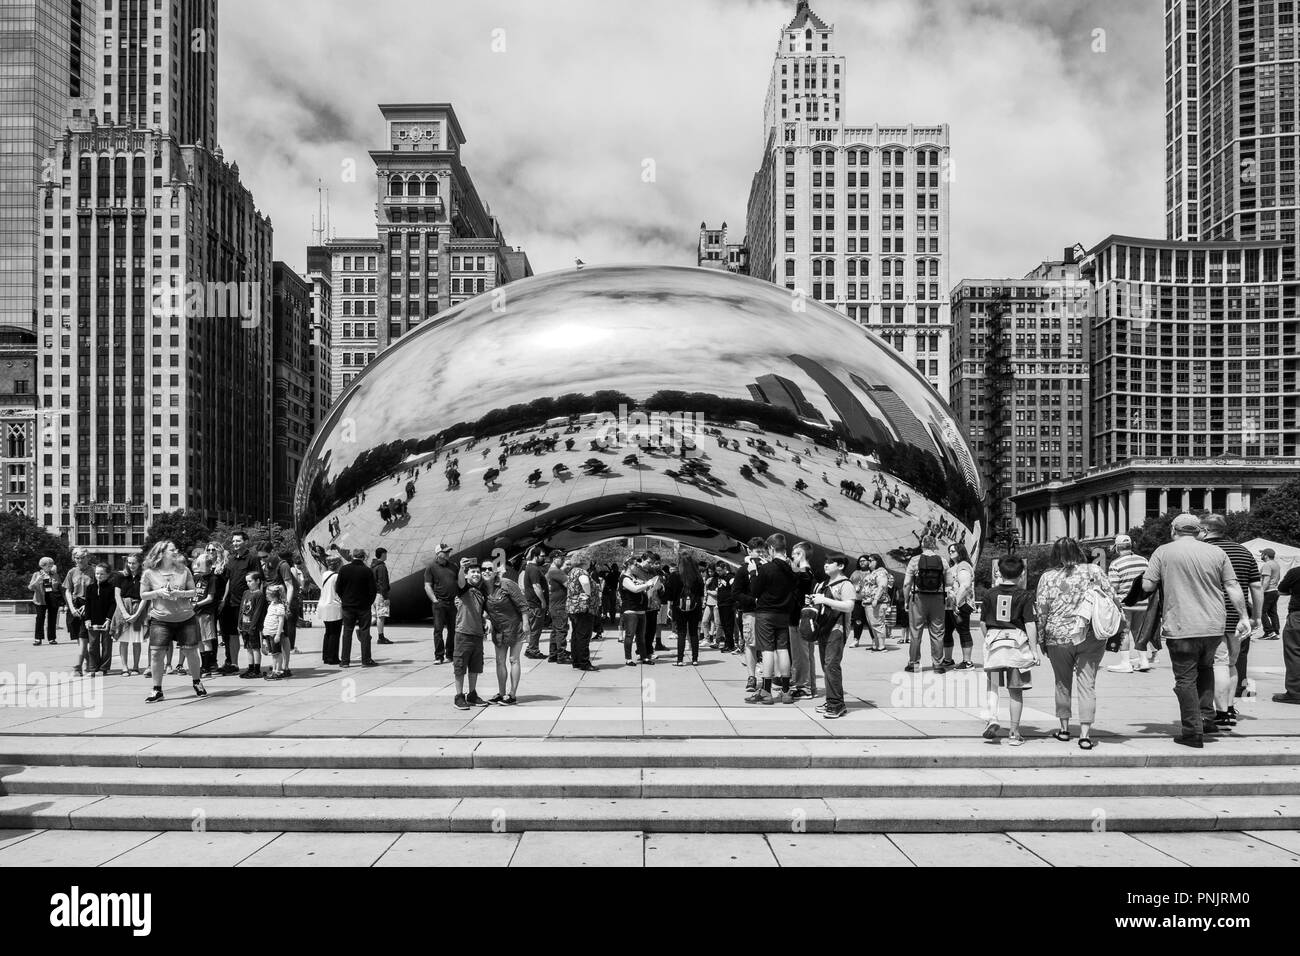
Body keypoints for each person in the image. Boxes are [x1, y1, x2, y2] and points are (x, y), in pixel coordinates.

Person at [1140, 514, 1248, 749]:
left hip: (1182, 625)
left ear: (1173, 530)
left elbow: (1148, 585)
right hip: (1213, 625)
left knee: (1185, 680)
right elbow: (1232, 585)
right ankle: (1207, 718)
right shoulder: (1217, 553)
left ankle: (1192, 731)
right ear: (1199, 531)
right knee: (1206, 669)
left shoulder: (1163, 551)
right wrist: (1244, 617)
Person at [1035, 537, 1119, 749]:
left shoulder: (1047, 577)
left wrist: (1041, 639)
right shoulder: (1094, 571)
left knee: (1062, 683)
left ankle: (1064, 729)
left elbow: (1042, 611)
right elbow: (1112, 597)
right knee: (1087, 685)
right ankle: (1085, 733)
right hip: (1089, 635)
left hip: (1058, 636)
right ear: (1078, 551)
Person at [1199, 515, 1263, 729]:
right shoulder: (1244, 551)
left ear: (1205, 530)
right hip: (1238, 616)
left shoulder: (1204, 552)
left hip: (1212, 614)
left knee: (1218, 664)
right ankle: (1230, 706)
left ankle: (1222, 712)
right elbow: (1256, 586)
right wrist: (1257, 616)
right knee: (1231, 664)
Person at [977, 554, 1039, 745]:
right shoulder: (1025, 595)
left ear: (999, 572)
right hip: (1017, 646)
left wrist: (989, 639)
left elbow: (982, 623)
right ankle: (1014, 732)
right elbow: (1030, 624)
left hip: (995, 643)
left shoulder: (989, 594)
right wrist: (1034, 649)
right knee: (1015, 691)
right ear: (1021, 574)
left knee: (993, 685)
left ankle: (992, 718)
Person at [139, 539, 206, 702]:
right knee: (156, 653)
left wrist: (179, 594)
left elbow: (193, 592)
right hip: (160, 618)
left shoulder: (184, 570)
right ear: (161, 553)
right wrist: (159, 592)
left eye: (176, 549)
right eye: (172, 550)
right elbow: (142, 595)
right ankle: (157, 690)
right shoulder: (149, 573)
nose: (175, 552)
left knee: (191, 651)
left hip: (185, 617)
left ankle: (197, 682)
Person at [747, 533, 797, 705]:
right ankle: (785, 691)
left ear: (771, 548)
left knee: (768, 650)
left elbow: (754, 591)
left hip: (766, 613)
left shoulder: (766, 569)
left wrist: (753, 573)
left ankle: (766, 691)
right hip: (783, 613)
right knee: (783, 649)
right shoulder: (791, 569)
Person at [809, 554, 855, 719]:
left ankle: (837, 704)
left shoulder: (845, 584)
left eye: (830, 562)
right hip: (823, 628)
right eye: (825, 561)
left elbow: (849, 606)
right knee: (826, 666)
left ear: (841, 566)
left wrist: (825, 600)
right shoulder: (823, 584)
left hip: (837, 628)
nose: (826, 565)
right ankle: (831, 700)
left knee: (831, 665)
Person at [1106, 534, 1153, 673]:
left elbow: (1112, 587)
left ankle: (1125, 663)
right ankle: (1144, 660)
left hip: (1125, 604)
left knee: (1124, 632)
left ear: (1117, 548)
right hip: (1143, 602)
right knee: (1139, 632)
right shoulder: (1144, 561)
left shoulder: (1116, 564)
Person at [484, 560, 527, 702]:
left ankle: (512, 694)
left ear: (495, 571)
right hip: (498, 630)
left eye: (490, 569)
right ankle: (501, 693)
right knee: (499, 661)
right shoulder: (482, 588)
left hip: (515, 627)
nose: (486, 571)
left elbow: (522, 604)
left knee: (513, 659)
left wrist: (526, 624)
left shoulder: (506, 584)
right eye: (483, 569)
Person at [903, 536, 947, 674]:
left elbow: (906, 584)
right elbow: (950, 582)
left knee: (916, 632)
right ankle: (938, 665)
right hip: (938, 599)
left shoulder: (915, 560)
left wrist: (906, 600)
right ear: (934, 545)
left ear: (922, 545)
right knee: (938, 632)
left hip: (919, 598)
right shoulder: (943, 561)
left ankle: (914, 664)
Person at [452, 558, 492, 709]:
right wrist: (462, 568)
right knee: (460, 667)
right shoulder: (464, 588)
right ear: (467, 575)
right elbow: (460, 582)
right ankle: (459, 696)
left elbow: (481, 611)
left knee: (475, 667)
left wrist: (486, 620)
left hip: (477, 635)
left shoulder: (481, 591)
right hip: (463, 633)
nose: (476, 574)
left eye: (478, 572)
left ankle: (472, 695)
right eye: (472, 572)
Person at [218, 531, 257, 676]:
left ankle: (253, 666)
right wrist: (224, 599)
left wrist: (255, 599)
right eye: (233, 541)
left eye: (238, 541)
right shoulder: (231, 559)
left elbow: (257, 580)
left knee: (247, 632)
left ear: (245, 542)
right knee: (231, 633)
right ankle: (233, 663)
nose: (235, 543)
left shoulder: (252, 558)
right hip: (230, 602)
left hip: (245, 602)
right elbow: (228, 580)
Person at [337, 548, 379, 668]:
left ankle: (345, 661)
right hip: (363, 606)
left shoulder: (344, 569)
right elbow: (373, 590)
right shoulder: (367, 571)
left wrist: (344, 599)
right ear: (363, 556)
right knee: (365, 632)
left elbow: (338, 588)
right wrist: (368, 603)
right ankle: (366, 660)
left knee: (347, 632)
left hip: (348, 606)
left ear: (352, 556)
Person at [788, 542, 818, 699]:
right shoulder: (809, 572)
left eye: (794, 553)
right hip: (805, 618)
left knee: (800, 655)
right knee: (807, 655)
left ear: (800, 554)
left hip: (799, 619)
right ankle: (809, 686)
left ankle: (803, 687)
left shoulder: (803, 573)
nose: (792, 556)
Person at [621, 553, 661, 665]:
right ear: (629, 566)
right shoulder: (625, 577)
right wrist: (647, 584)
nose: (637, 566)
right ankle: (629, 658)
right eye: (635, 564)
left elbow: (643, 585)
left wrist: (652, 584)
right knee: (630, 634)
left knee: (642, 635)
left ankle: (645, 656)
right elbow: (634, 589)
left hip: (643, 608)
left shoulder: (634, 576)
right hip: (631, 609)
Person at [666, 552, 705, 666]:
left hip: (679, 607)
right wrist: (699, 606)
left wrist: (669, 607)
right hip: (695, 607)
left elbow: (670, 594)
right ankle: (695, 659)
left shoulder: (675, 575)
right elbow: (701, 594)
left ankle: (680, 660)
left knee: (681, 633)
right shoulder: (697, 576)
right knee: (694, 633)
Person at [79, 562, 117, 676]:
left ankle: (103, 668)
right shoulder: (90, 588)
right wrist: (87, 619)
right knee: (93, 645)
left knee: (106, 645)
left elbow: (113, 605)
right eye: (97, 574)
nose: (99, 576)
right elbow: (88, 604)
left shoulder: (111, 588)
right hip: (93, 621)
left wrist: (109, 619)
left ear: (108, 575)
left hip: (106, 621)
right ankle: (93, 667)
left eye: (102, 574)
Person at [942, 541, 975, 669]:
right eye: (949, 551)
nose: (951, 553)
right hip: (950, 604)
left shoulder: (963, 566)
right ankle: (948, 659)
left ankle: (967, 662)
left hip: (961, 604)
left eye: (953, 551)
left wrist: (956, 602)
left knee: (963, 631)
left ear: (960, 551)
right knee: (947, 631)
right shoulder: (954, 566)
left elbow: (965, 586)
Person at [423, 543, 458, 664]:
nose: (448, 554)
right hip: (439, 603)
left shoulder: (454, 566)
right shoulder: (431, 567)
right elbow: (427, 586)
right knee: (438, 630)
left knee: (452, 630)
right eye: (446, 552)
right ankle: (439, 656)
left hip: (453, 603)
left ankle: (450, 654)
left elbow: (459, 582)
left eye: (449, 551)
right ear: (438, 553)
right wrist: (435, 600)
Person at [565, 552, 599, 671]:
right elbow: (584, 582)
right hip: (583, 607)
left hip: (573, 607)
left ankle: (576, 661)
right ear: (584, 561)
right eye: (589, 560)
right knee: (584, 636)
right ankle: (584, 662)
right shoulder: (582, 572)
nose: (590, 562)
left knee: (576, 635)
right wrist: (588, 594)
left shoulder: (572, 571)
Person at [114, 553, 146, 676]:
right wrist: (124, 613)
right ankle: (124, 667)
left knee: (137, 640)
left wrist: (137, 614)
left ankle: (136, 667)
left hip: (138, 608)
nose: (131, 565)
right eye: (129, 562)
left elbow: (145, 597)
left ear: (139, 563)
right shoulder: (120, 576)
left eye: (134, 563)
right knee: (124, 639)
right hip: (123, 608)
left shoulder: (143, 577)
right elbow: (117, 595)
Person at [1273, 562, 1300, 704]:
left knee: (1294, 653)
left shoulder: (1295, 572)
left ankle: (1295, 692)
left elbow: (1281, 590)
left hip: (1297, 616)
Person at [192, 552, 220, 678]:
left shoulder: (213, 578)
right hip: (195, 613)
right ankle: (203, 666)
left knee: (206, 640)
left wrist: (197, 604)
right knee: (199, 640)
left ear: (209, 565)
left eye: (200, 564)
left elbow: (210, 598)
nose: (198, 566)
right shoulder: (197, 577)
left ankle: (208, 667)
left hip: (205, 612)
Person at [63, 548, 93, 665]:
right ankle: (89, 661)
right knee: (77, 636)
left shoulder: (93, 571)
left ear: (88, 558)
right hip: (74, 604)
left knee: (84, 635)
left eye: (82, 558)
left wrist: (88, 605)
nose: (79, 560)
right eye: (77, 558)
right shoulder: (71, 572)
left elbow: (96, 591)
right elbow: (68, 591)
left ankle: (81, 664)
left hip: (87, 604)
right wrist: (71, 607)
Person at [237, 570, 268, 678]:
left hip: (253, 626)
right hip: (244, 625)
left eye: (250, 581)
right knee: (248, 648)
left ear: (257, 581)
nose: (248, 583)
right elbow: (242, 609)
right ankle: (250, 668)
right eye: (247, 581)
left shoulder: (259, 595)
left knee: (255, 647)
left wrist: (253, 626)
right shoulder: (246, 593)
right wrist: (239, 624)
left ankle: (256, 669)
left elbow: (258, 612)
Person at [520, 547, 549, 661]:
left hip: (534, 604)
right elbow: (536, 586)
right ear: (535, 556)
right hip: (535, 604)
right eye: (542, 556)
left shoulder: (532, 568)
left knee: (535, 628)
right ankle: (533, 650)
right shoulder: (533, 569)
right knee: (536, 629)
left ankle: (531, 649)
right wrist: (543, 601)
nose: (543, 558)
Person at [29, 556, 63, 646]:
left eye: (51, 565)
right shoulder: (36, 574)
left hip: (52, 598)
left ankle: (52, 638)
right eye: (49, 565)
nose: (51, 567)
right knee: (40, 618)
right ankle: (38, 638)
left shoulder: (55, 575)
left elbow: (60, 587)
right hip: (40, 599)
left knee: (52, 619)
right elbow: (30, 587)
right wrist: (37, 581)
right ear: (43, 566)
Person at [545, 551, 572, 663]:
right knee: (561, 630)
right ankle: (561, 656)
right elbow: (570, 585)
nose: (563, 560)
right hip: (560, 606)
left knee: (556, 631)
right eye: (561, 558)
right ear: (554, 559)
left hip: (553, 605)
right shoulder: (557, 572)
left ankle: (553, 654)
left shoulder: (549, 572)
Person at [317, 554, 344, 665]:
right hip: (334, 605)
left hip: (323, 605)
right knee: (335, 633)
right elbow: (339, 591)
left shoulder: (325, 574)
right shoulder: (337, 577)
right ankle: (333, 657)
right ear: (337, 564)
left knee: (328, 632)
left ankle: (326, 656)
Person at [260, 585, 290, 680]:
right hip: (269, 632)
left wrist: (278, 634)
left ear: (273, 595)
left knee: (277, 653)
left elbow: (281, 621)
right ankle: (274, 669)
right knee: (273, 653)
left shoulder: (280, 606)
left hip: (275, 632)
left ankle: (279, 670)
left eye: (267, 595)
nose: (266, 596)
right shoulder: (271, 605)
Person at [1259, 548, 1281, 641]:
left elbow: (1266, 580)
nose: (1261, 555)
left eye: (1262, 554)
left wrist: (1261, 592)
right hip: (1275, 591)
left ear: (1266, 555)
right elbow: (1277, 578)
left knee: (1261, 612)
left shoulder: (1267, 565)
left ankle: (1269, 632)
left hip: (1268, 591)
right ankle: (1276, 632)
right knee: (1272, 612)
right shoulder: (1276, 564)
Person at [372, 547, 393, 645]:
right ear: (383, 554)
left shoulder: (373, 565)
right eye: (385, 554)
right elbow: (383, 583)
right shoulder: (381, 567)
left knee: (376, 616)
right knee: (381, 616)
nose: (386, 556)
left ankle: (379, 635)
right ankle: (381, 637)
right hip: (381, 595)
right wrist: (386, 597)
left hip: (375, 594)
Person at [715, 565, 737, 652]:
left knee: (729, 625)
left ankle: (730, 645)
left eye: (720, 570)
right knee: (724, 625)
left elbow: (734, 589)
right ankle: (727, 643)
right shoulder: (720, 577)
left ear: (725, 569)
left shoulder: (730, 577)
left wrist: (731, 600)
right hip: (721, 604)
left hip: (728, 604)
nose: (718, 572)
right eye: (717, 571)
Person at [701, 568, 720, 648]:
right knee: (704, 621)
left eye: (711, 571)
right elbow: (704, 592)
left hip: (716, 604)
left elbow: (717, 593)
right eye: (709, 571)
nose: (710, 573)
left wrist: (708, 591)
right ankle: (706, 639)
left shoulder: (718, 580)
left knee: (717, 623)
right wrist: (706, 584)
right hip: (708, 603)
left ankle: (717, 640)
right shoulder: (708, 579)